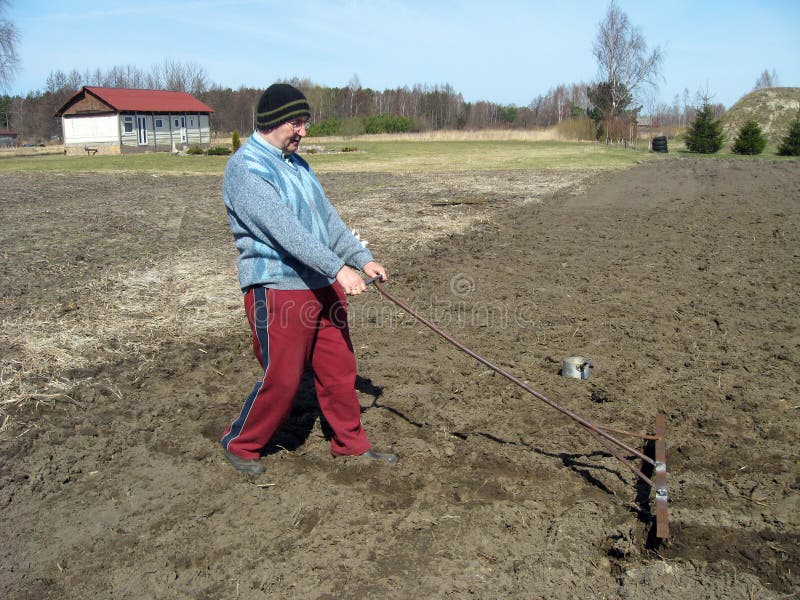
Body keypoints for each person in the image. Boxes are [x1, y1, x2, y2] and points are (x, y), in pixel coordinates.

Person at [219, 83, 397, 474]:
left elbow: (326, 221)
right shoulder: (246, 168)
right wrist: (338, 269)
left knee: (339, 369)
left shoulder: (297, 165)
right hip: (278, 287)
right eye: (295, 123)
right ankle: (241, 443)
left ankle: (351, 446)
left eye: (306, 123)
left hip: (321, 285)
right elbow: (288, 232)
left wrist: (361, 259)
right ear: (270, 122)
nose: (303, 132)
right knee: (282, 379)